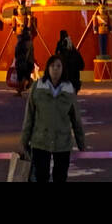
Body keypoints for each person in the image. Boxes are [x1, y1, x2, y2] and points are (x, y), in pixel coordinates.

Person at [20, 54, 86, 183]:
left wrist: (81, 141)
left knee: (60, 177)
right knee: (41, 176)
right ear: (47, 68)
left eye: (58, 66)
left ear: (63, 69)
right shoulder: (38, 87)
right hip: (40, 141)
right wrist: (24, 139)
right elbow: (29, 115)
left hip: (62, 141)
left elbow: (75, 118)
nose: (55, 69)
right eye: (52, 66)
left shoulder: (68, 89)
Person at [14, 28, 35, 96]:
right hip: (25, 61)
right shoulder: (28, 42)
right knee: (24, 77)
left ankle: (20, 90)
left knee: (22, 77)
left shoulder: (21, 42)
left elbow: (17, 52)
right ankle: (21, 89)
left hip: (24, 62)